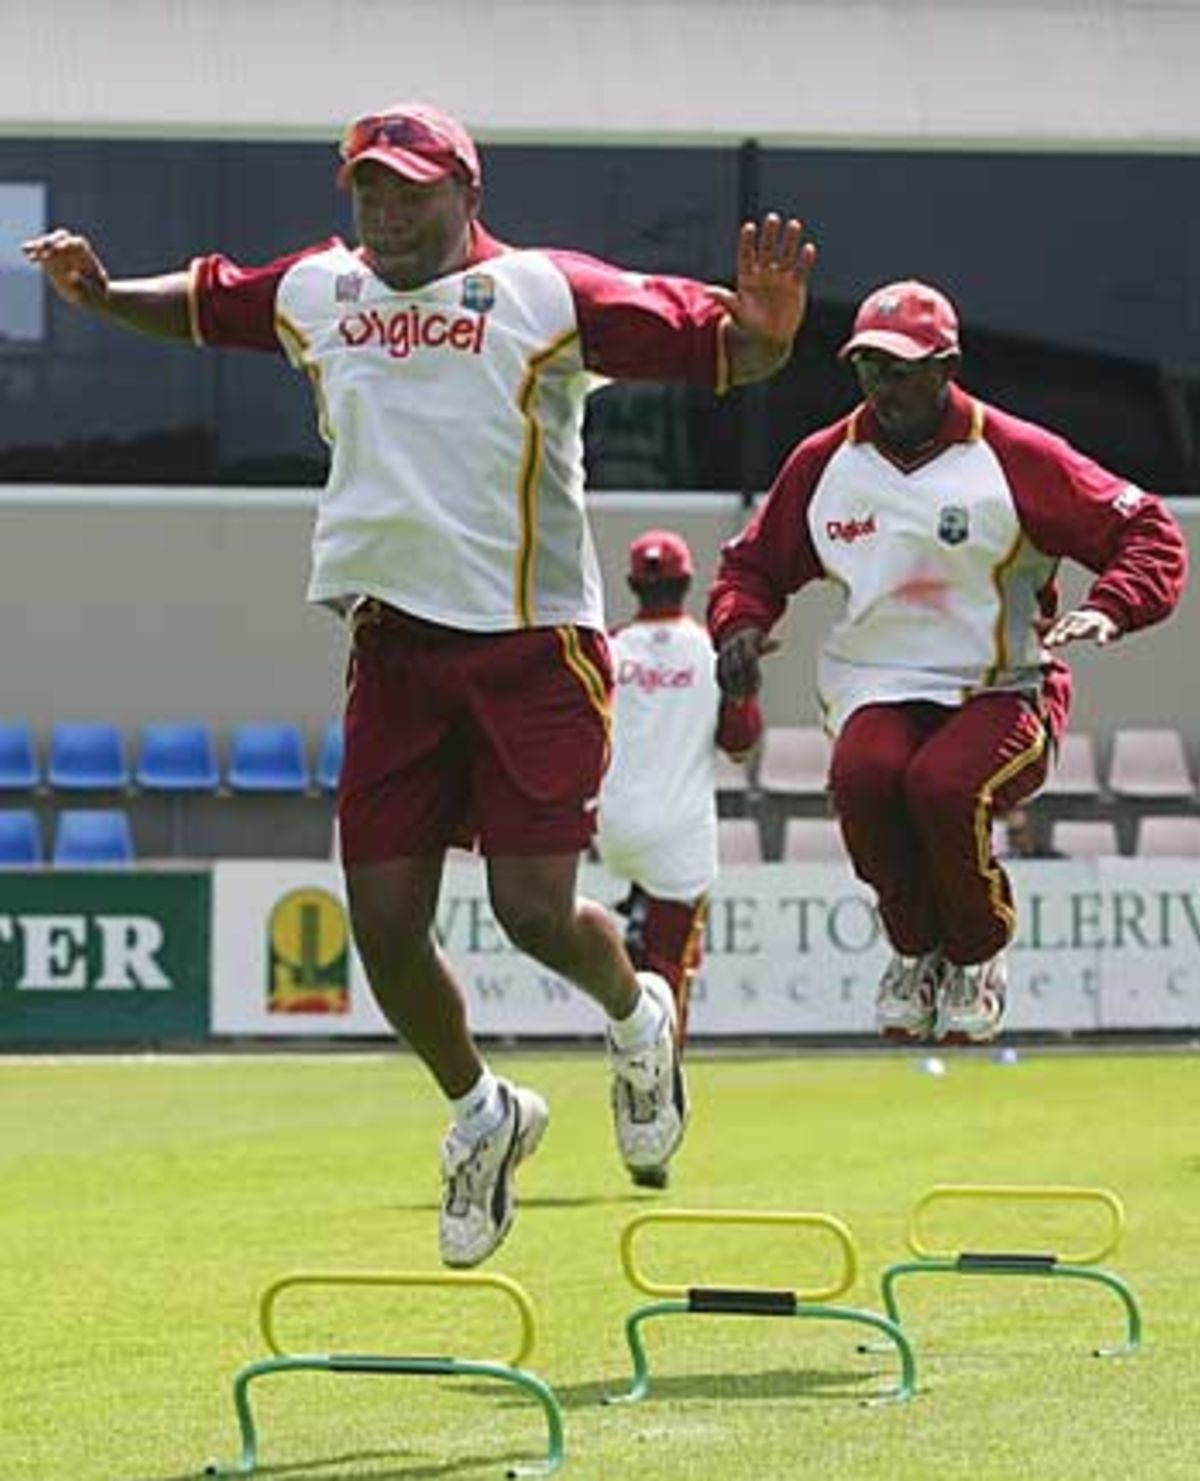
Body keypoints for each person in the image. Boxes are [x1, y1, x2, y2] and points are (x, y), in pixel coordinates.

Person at [24, 102, 817, 1265]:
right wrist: (100, 297)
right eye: (367, 191)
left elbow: (723, 345)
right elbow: (206, 302)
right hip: (393, 650)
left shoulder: (547, 295)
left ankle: (638, 1009)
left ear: (465, 193)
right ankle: (482, 1112)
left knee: (532, 913)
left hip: (533, 649)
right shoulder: (320, 290)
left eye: (408, 189)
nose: (385, 212)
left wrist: (767, 338)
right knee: (385, 930)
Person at [708, 278, 1187, 1046]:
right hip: (876, 683)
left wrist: (1112, 605)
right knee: (865, 781)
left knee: (941, 784)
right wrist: (738, 624)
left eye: (901, 369)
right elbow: (752, 567)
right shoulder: (824, 461)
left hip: (1005, 684)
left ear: (946, 366)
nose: (883, 387)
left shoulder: (1016, 455)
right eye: (869, 368)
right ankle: (915, 952)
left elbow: (1148, 532)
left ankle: (976, 953)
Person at [595, 529, 763, 1186]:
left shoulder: (608, 649)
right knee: (671, 970)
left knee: (627, 969)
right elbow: (741, 742)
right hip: (681, 835)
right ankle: (652, 1109)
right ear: (686, 584)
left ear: (635, 585)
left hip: (614, 825)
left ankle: (629, 980)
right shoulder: (712, 650)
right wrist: (744, 690)